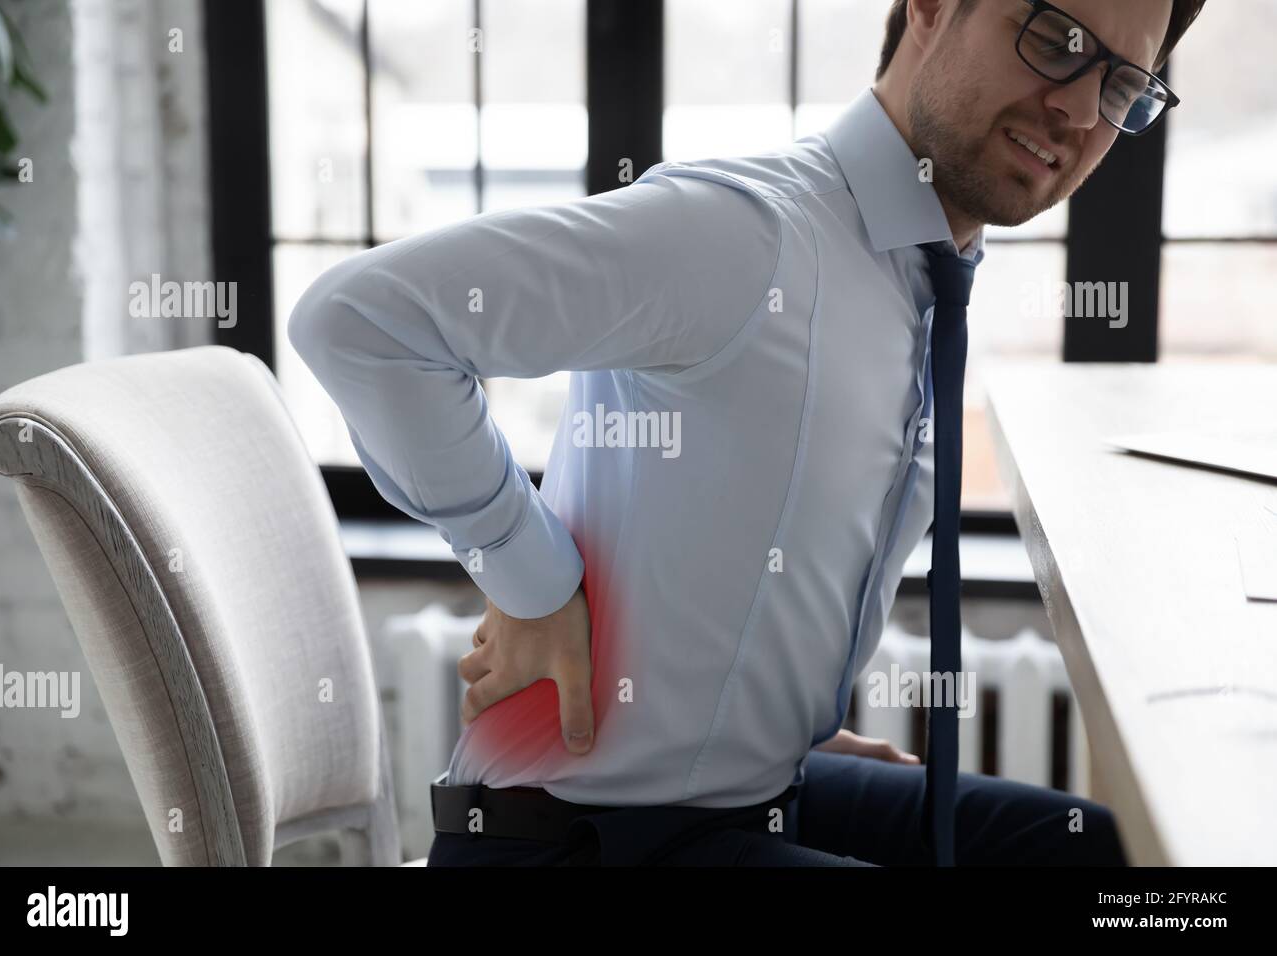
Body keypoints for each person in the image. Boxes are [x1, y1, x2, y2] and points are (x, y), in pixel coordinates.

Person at [288, 0, 1205, 866]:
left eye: (1123, 84)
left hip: (754, 786)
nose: (1082, 109)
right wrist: (529, 579)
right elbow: (362, 321)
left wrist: (771, 727)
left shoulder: (925, 278)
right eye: (1055, 38)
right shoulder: (744, 235)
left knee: (1103, 858)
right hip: (570, 837)